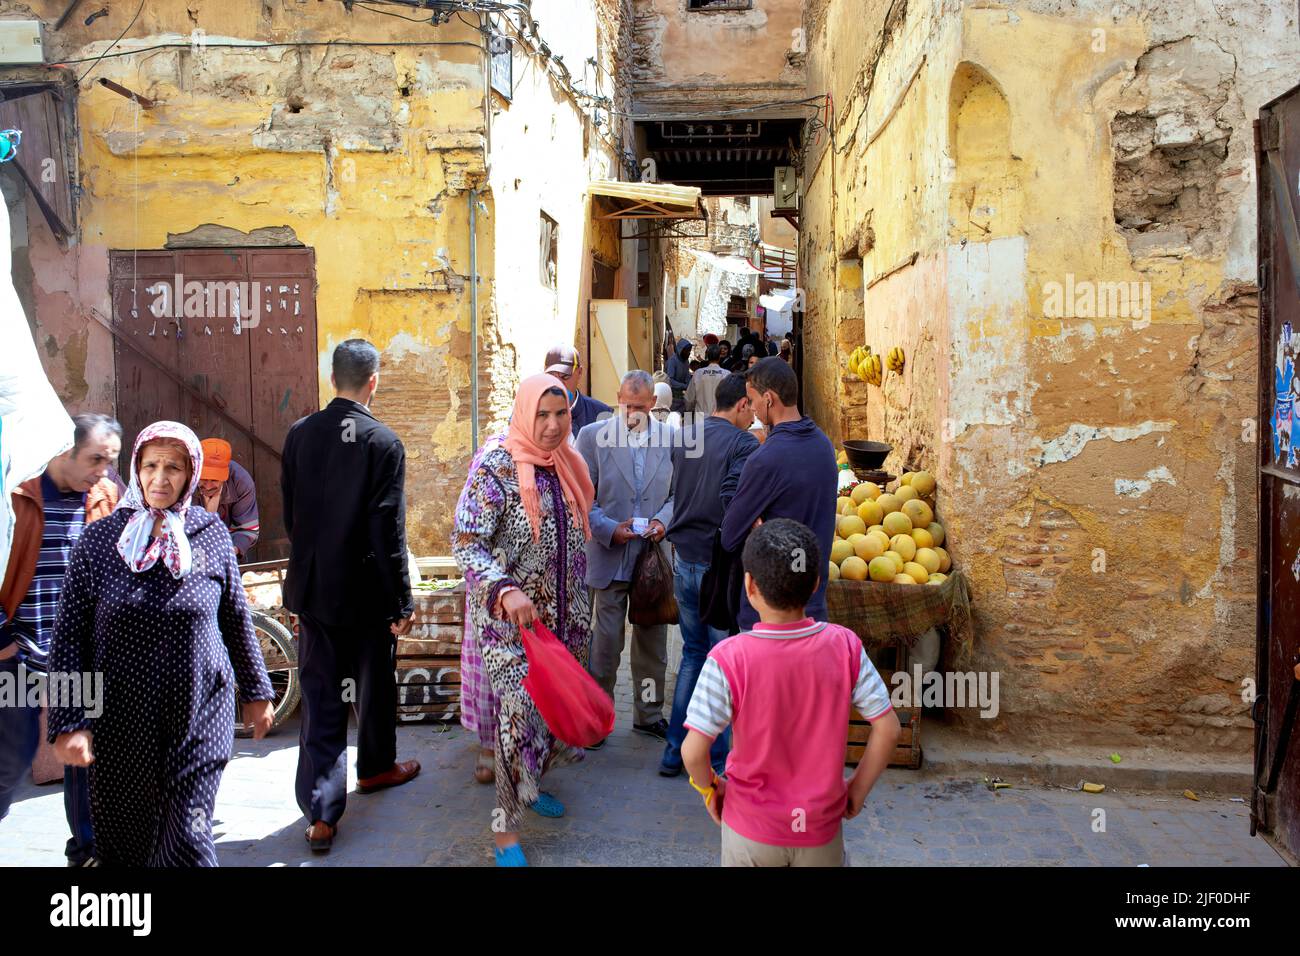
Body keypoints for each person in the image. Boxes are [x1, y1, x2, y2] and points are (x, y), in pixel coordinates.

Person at [46, 421, 274, 867]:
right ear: (136, 468)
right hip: (119, 724)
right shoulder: (98, 542)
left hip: (199, 716)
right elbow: (69, 635)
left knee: (189, 842)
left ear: (191, 473)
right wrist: (68, 720)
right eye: (151, 465)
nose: (160, 478)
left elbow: (234, 617)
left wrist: (257, 691)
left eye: (174, 467)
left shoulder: (210, 534)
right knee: (127, 848)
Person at [682, 518, 901, 867]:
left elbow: (693, 751)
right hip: (819, 831)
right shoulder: (844, 646)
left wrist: (709, 789)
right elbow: (888, 728)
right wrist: (856, 790)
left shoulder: (727, 658)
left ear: (749, 585)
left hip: (750, 830)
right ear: (815, 583)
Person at [452, 373, 596, 867]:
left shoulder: (563, 462)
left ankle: (534, 789)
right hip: (510, 625)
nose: (553, 426)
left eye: (561, 414)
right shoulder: (496, 465)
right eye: (543, 415)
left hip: (564, 618)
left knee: (548, 715)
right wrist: (505, 589)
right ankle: (505, 833)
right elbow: (467, 543)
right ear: (524, 413)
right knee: (514, 722)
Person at [281, 339, 419, 853]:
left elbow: (291, 514)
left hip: (316, 591)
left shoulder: (300, 434)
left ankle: (321, 814)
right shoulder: (382, 442)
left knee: (322, 697)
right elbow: (388, 530)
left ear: (331, 379)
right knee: (374, 680)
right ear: (374, 381)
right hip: (365, 594)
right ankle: (377, 767)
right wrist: (401, 601)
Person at [0, 413, 121, 866]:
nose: (103, 470)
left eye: (110, 460)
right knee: (10, 755)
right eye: (95, 458)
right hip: (19, 653)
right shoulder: (18, 494)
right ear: (64, 452)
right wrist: (3, 641)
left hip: (76, 654)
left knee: (79, 750)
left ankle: (86, 850)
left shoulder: (106, 496)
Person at [660, 374, 757, 778]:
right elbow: (733, 499)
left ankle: (673, 753)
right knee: (720, 663)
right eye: (751, 407)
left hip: (684, 557)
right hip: (719, 566)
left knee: (693, 655)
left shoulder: (685, 436)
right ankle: (715, 760)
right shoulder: (743, 443)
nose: (753, 416)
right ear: (740, 405)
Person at [576, 370, 675, 743]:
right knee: (605, 644)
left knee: (652, 644)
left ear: (653, 404)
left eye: (639, 406)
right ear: (618, 398)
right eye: (626, 405)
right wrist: (608, 529)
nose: (632, 412)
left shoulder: (671, 439)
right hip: (609, 553)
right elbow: (584, 498)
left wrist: (663, 522)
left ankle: (648, 715)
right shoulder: (592, 438)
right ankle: (598, 718)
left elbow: (677, 496)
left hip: (653, 556)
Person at [720, 358, 837, 630]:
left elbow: (729, 536)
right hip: (813, 603)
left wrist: (753, 523)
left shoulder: (765, 459)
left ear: (769, 399)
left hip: (769, 612)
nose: (751, 408)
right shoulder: (824, 445)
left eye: (752, 400)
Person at [192, 438, 259, 559]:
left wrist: (232, 550)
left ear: (225, 476)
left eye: (214, 480)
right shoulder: (185, 481)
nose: (207, 486)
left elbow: (247, 529)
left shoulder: (241, 482)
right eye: (203, 479)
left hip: (226, 548)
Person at [545, 344, 612, 436]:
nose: (559, 383)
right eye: (552, 376)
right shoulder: (534, 413)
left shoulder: (601, 414)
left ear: (579, 372)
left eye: (565, 376)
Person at [684, 343, 730, 418]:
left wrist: (689, 410)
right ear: (719, 356)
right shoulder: (727, 374)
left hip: (700, 417)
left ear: (707, 356)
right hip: (720, 418)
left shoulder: (698, 374)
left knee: (699, 430)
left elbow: (689, 399)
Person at [665, 337, 692, 411]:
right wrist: (684, 386)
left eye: (689, 351)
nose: (688, 353)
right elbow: (670, 380)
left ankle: (688, 422)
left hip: (683, 396)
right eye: (687, 351)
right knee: (675, 418)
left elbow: (687, 376)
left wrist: (690, 384)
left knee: (688, 417)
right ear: (680, 350)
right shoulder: (672, 361)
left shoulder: (686, 362)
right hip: (673, 397)